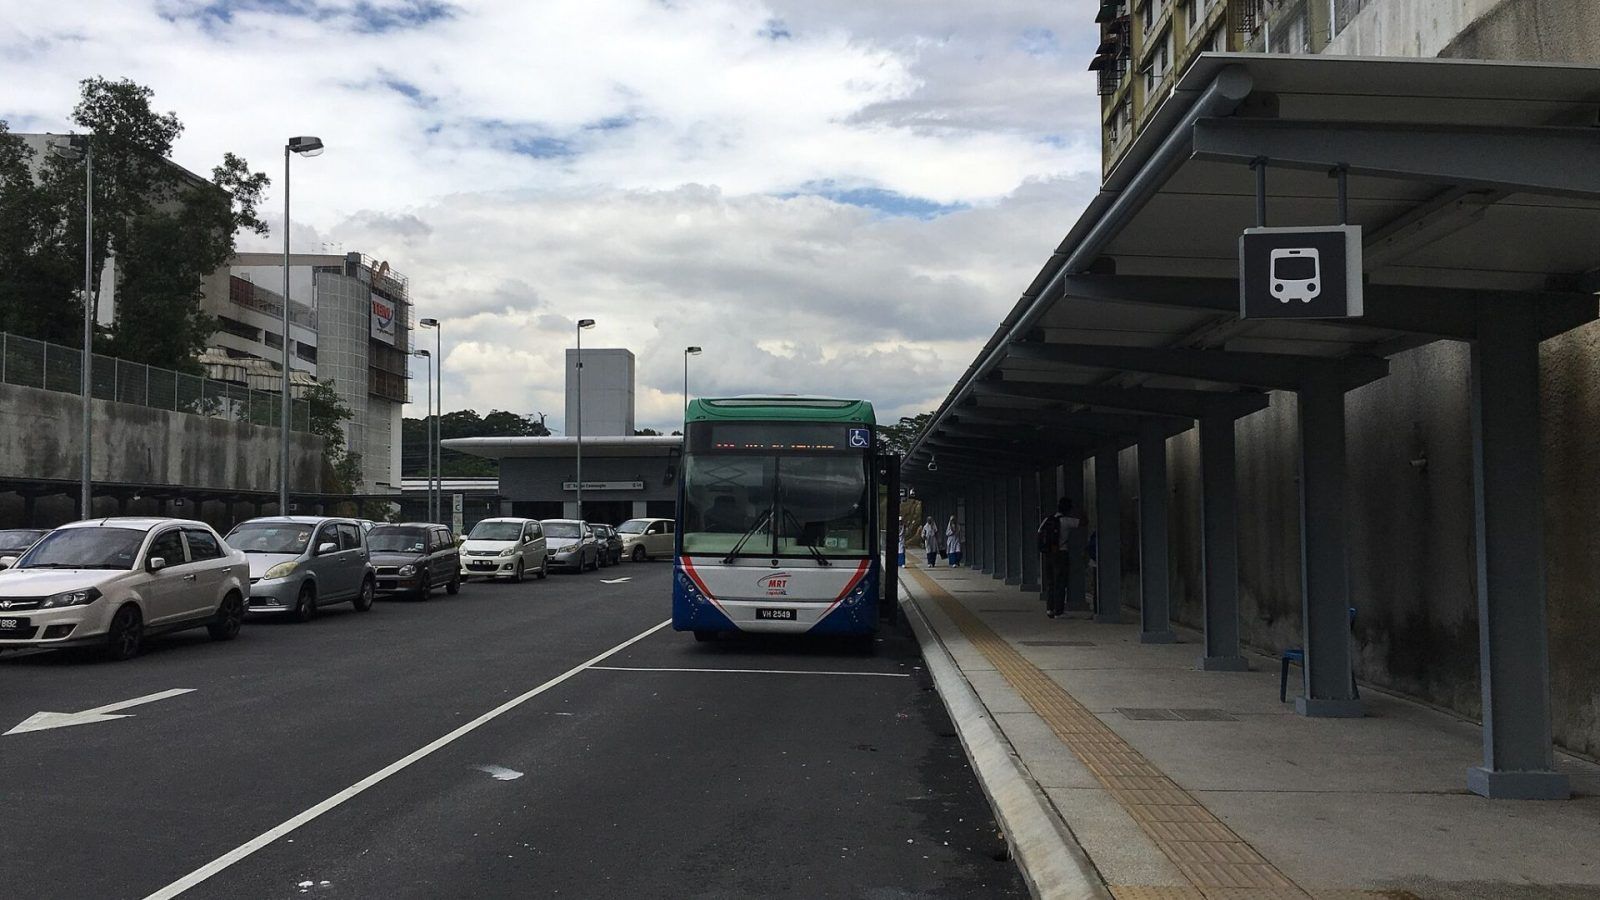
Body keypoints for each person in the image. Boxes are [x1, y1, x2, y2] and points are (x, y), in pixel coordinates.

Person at [1038, 497, 1081, 619]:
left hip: (1049, 554)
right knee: (1060, 582)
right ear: (1068, 509)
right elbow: (1083, 522)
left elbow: (1039, 532)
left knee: (1050, 582)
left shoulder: (1048, 519)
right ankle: (1059, 611)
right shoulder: (1067, 521)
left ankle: (1050, 609)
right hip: (1061, 553)